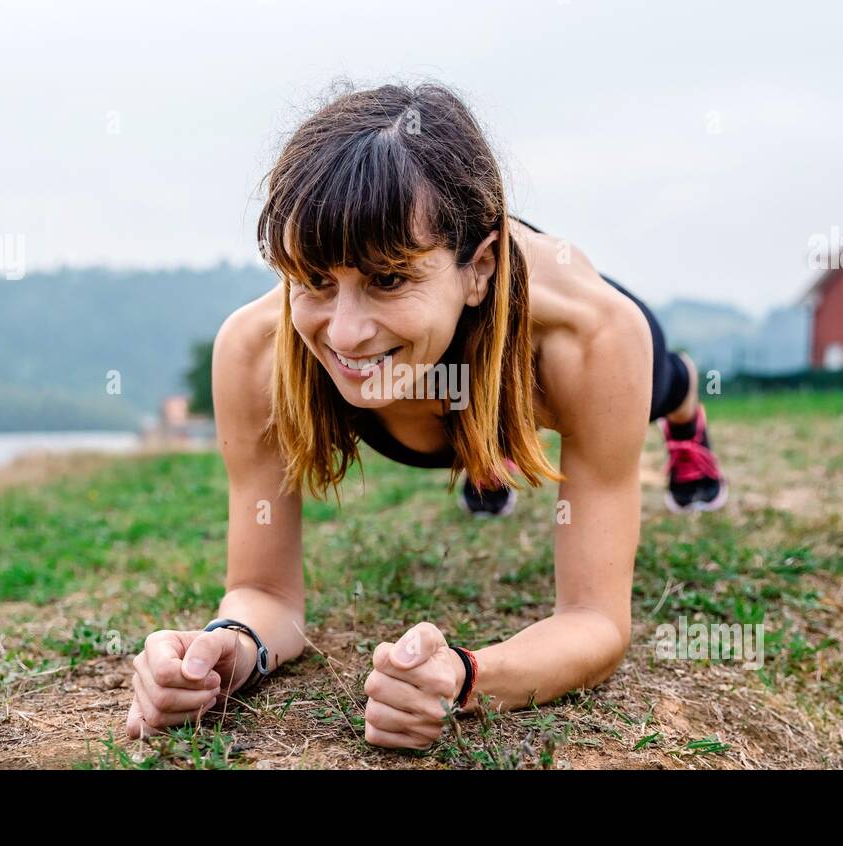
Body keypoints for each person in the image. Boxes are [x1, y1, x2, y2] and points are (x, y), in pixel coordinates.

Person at [126, 81, 727, 750]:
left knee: (661, 381)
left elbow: (595, 622)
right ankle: (483, 448)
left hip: (524, 354)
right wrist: (223, 649)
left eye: (388, 279)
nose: (346, 334)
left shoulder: (589, 337)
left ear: (480, 268)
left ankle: (680, 416)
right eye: (316, 280)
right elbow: (264, 593)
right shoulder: (255, 352)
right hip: (449, 381)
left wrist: (468, 678)